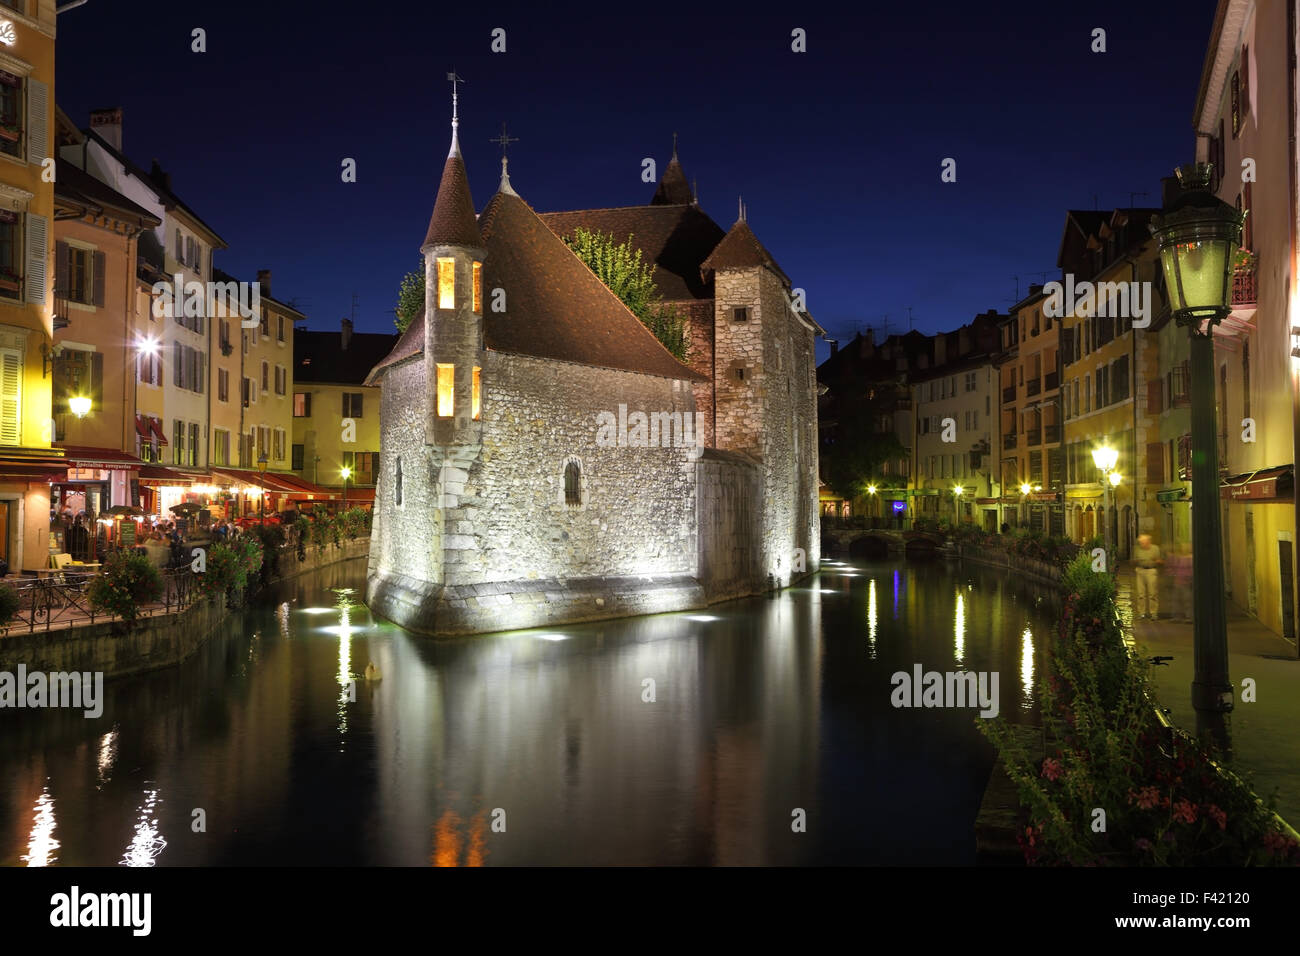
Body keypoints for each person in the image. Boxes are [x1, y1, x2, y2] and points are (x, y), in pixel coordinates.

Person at [1133, 533, 1163, 621]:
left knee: (1152, 593)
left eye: (1143, 542)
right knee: (1140, 594)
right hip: (1140, 571)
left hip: (1151, 571)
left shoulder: (1155, 548)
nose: (1142, 544)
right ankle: (1141, 613)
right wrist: (1136, 561)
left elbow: (1160, 560)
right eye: (1141, 543)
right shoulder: (1137, 549)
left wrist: (1157, 561)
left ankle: (1153, 613)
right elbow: (1134, 560)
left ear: (1148, 542)